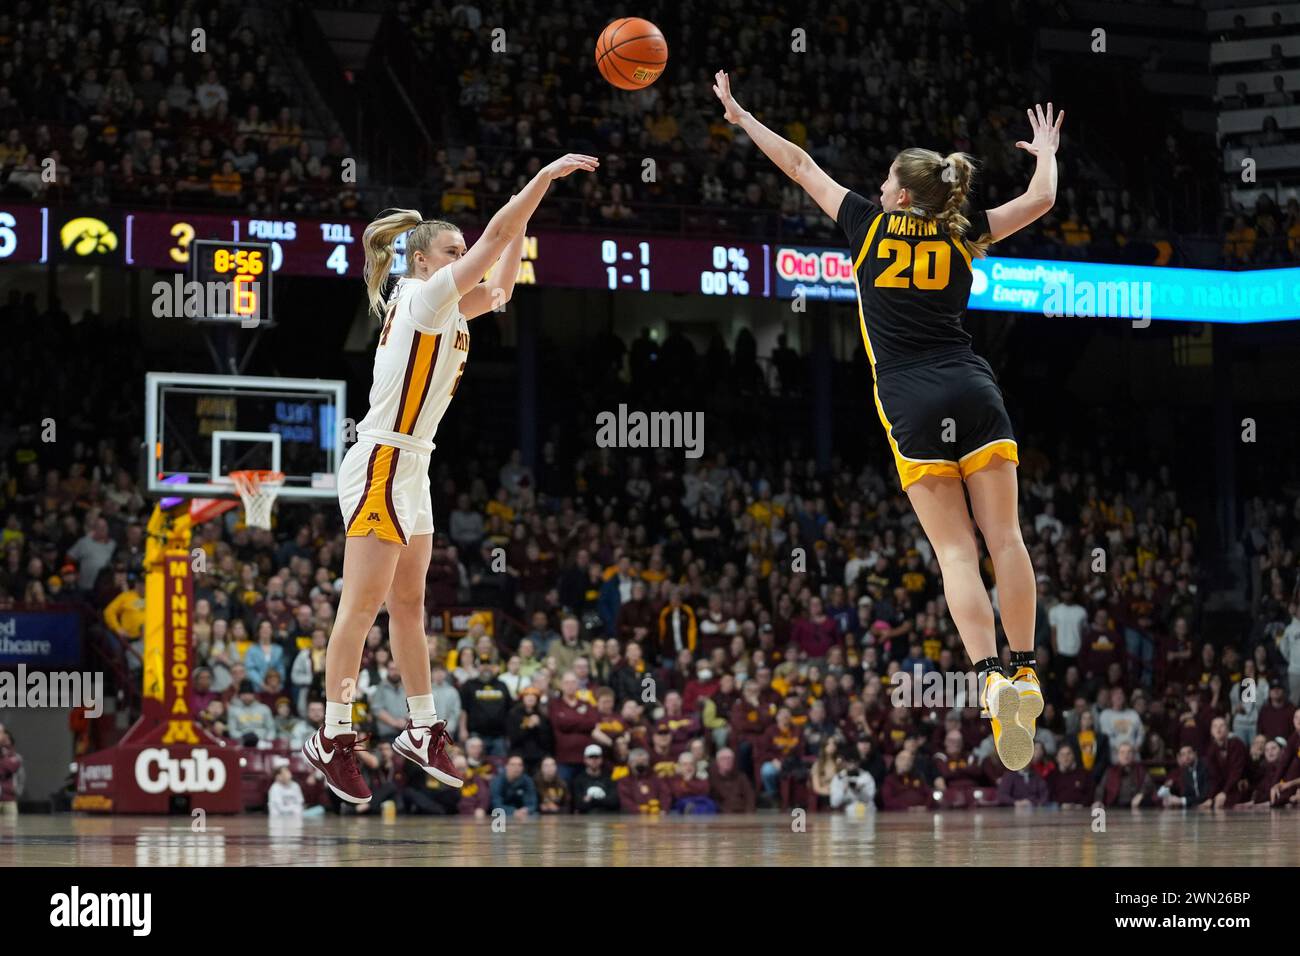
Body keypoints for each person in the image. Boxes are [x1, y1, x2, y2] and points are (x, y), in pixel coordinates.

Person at [712, 72, 1063, 771]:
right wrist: (1047, 149)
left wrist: (742, 114)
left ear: (902, 194)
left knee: (956, 553)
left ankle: (991, 678)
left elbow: (799, 164)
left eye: (883, 181)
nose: (875, 188)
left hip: (909, 398)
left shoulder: (866, 227)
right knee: (1006, 538)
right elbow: (1043, 198)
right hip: (973, 386)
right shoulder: (963, 231)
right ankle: (1025, 669)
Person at [302, 151, 599, 805]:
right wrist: (542, 179)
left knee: (410, 607)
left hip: (414, 465)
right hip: (381, 458)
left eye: (463, 248)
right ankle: (332, 735)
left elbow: (503, 280)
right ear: (424, 261)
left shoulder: (453, 307)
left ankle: (421, 726)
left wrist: (531, 214)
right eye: (453, 249)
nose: (466, 255)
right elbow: (496, 240)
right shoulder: (422, 297)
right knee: (361, 608)